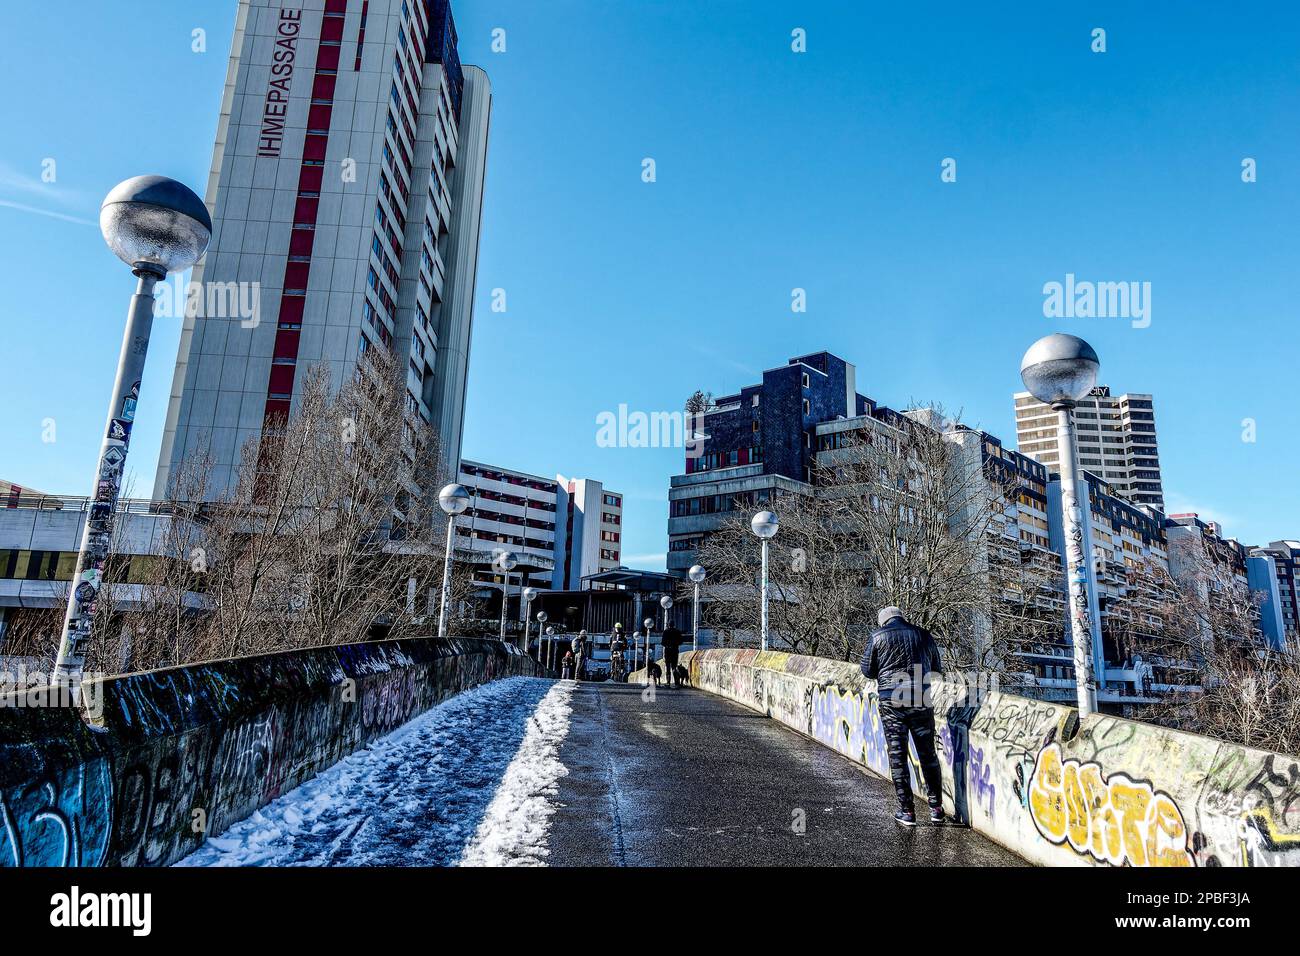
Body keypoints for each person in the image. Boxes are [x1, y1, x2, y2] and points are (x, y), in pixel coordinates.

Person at [860, 606, 946, 827]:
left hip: (891, 701)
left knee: (898, 755)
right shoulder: (923, 634)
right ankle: (936, 808)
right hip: (920, 698)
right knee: (928, 754)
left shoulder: (877, 636)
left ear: (884, 621)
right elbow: (937, 667)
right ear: (901, 617)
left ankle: (907, 811)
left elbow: (868, 670)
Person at [660, 620, 685, 687]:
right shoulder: (677, 632)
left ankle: (668, 682)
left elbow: (662, 643)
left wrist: (668, 645)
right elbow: (681, 642)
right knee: (674, 667)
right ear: (674, 625)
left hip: (668, 651)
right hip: (675, 651)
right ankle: (676, 683)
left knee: (668, 667)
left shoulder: (665, 632)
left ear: (668, 625)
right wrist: (675, 644)